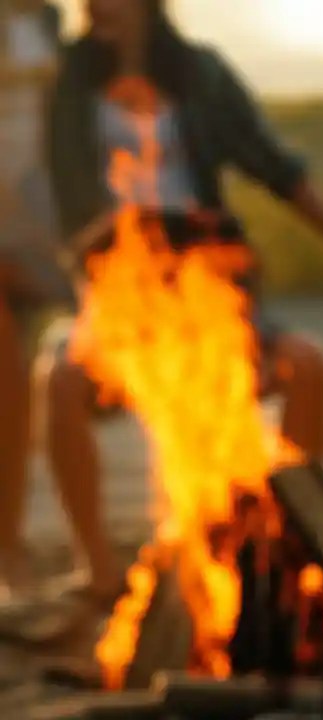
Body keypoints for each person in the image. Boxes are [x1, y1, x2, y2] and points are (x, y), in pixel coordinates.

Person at [32, 0, 323, 606]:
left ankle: (290, 547)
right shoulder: (67, 82)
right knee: (61, 380)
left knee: (306, 366)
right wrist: (125, 235)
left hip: (210, 293)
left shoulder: (200, 75)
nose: (95, 6)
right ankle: (97, 567)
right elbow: (66, 212)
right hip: (120, 296)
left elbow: (281, 173)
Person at [0, 0, 62, 604]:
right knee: (9, 374)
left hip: (31, 223)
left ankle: (9, 539)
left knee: (15, 394)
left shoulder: (44, 17)